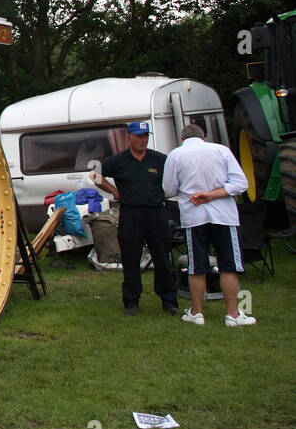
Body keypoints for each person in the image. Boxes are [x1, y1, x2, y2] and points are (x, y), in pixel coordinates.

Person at [162, 123, 255, 327]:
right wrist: (213, 194)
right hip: (224, 216)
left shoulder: (175, 155)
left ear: (182, 139)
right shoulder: (221, 150)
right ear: (203, 137)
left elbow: (168, 189)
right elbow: (241, 183)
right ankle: (233, 314)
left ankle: (196, 313)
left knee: (197, 267)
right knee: (228, 266)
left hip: (194, 218)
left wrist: (202, 194)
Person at [93, 121, 177, 315]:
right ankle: (132, 301)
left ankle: (169, 300)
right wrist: (113, 190)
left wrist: (167, 193)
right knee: (131, 258)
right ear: (128, 138)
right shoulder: (119, 160)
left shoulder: (158, 159)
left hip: (156, 213)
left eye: (146, 136)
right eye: (139, 136)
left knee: (162, 257)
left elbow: (176, 176)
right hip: (131, 213)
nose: (143, 140)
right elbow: (95, 175)